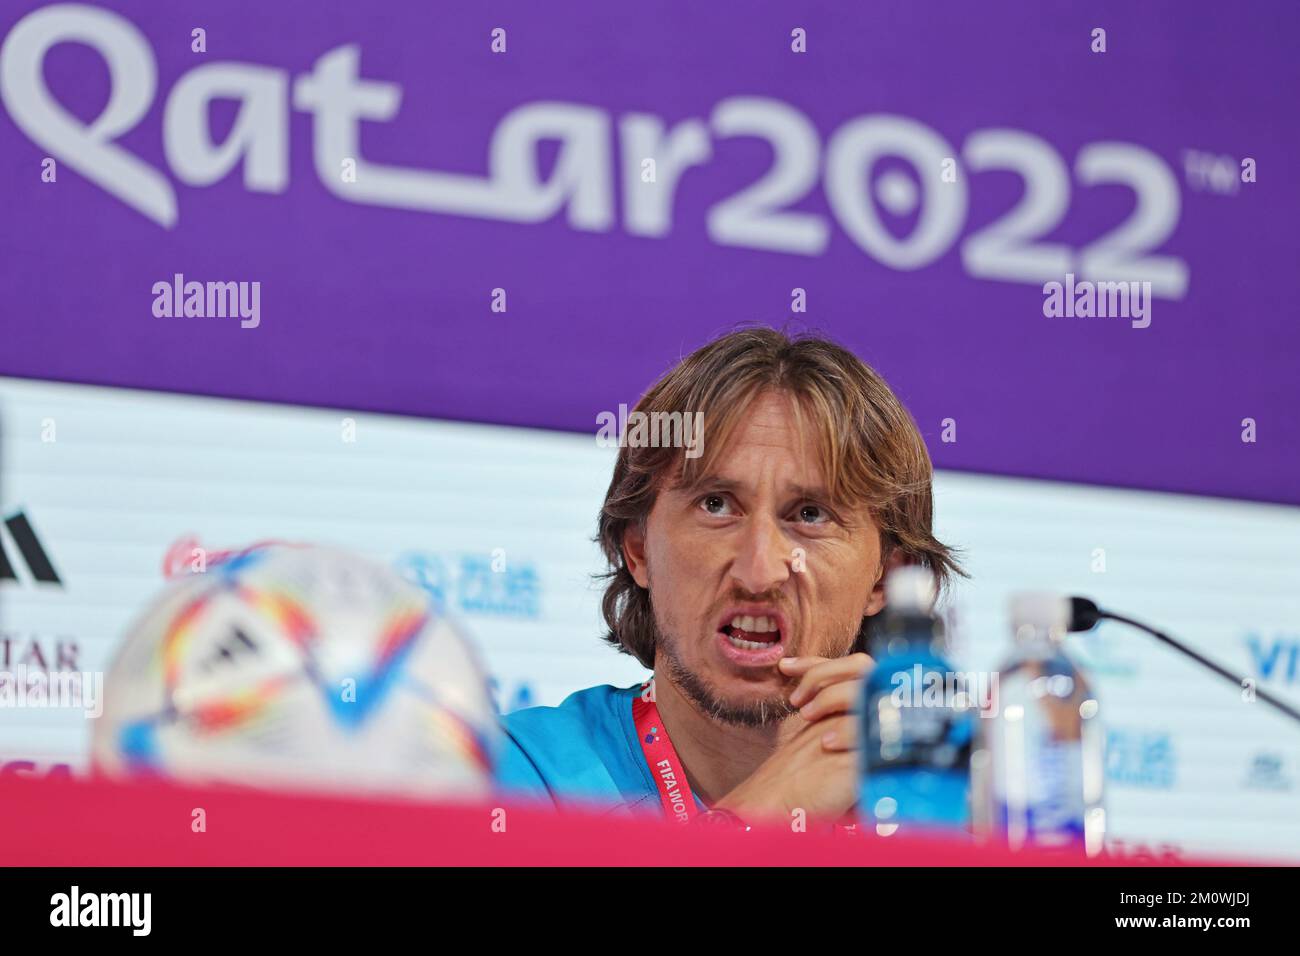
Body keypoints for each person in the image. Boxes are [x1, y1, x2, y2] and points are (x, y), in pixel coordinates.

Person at [496, 326, 963, 828]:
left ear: (884, 580)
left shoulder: (956, 809)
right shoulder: (512, 774)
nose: (758, 574)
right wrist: (772, 810)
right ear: (638, 549)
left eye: (809, 514)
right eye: (716, 505)